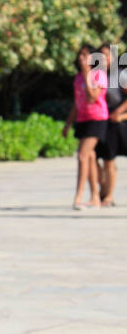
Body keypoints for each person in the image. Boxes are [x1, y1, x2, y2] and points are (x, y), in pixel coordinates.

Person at [62, 43, 108, 209]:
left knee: (82, 155)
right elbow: (77, 102)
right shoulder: (78, 78)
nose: (81, 58)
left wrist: (88, 73)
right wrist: (68, 124)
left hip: (97, 119)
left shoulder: (99, 75)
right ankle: (95, 197)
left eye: (85, 55)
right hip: (82, 119)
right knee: (89, 157)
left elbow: (91, 97)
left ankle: (78, 196)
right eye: (80, 55)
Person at [94, 43, 127, 206]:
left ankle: (108, 196)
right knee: (91, 157)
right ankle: (103, 188)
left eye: (108, 55)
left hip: (114, 119)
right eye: (101, 55)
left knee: (109, 159)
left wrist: (119, 113)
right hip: (97, 118)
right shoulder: (94, 75)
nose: (105, 58)